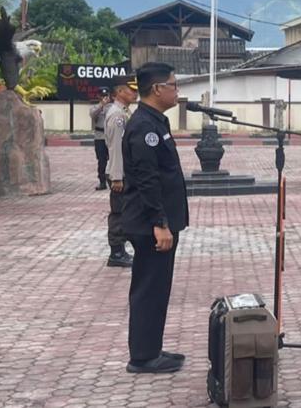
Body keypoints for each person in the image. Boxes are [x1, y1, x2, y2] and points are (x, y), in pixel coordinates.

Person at [121, 62, 189, 374]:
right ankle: (143, 357)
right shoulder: (144, 127)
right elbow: (147, 179)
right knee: (149, 289)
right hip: (150, 224)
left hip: (158, 220)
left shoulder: (155, 121)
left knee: (157, 288)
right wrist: (159, 223)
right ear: (157, 89)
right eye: (173, 85)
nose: (177, 91)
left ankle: (151, 348)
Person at [103, 78, 139, 268]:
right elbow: (116, 147)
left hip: (124, 171)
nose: (135, 93)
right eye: (130, 90)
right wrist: (117, 177)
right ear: (119, 92)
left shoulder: (124, 112)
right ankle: (116, 253)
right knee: (118, 212)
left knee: (126, 210)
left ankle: (121, 250)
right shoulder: (117, 115)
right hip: (119, 173)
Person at [91, 89, 113, 190]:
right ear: (99, 96)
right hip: (100, 136)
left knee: (114, 159)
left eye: (106, 95)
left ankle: (114, 179)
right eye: (103, 95)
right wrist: (101, 105)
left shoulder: (113, 107)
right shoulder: (95, 107)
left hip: (111, 136)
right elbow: (92, 115)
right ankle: (102, 181)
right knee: (101, 160)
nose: (105, 97)